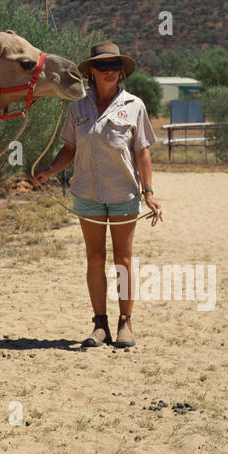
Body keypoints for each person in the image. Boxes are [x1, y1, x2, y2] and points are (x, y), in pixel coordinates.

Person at [33, 41, 163, 349]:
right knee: (94, 258)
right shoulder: (77, 106)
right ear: (91, 71)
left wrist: (149, 192)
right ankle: (100, 324)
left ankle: (126, 324)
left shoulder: (135, 105)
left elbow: (142, 151)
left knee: (124, 259)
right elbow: (69, 148)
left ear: (122, 71)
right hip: (87, 192)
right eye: (103, 66)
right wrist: (49, 171)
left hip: (123, 193)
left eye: (115, 66)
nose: (110, 71)